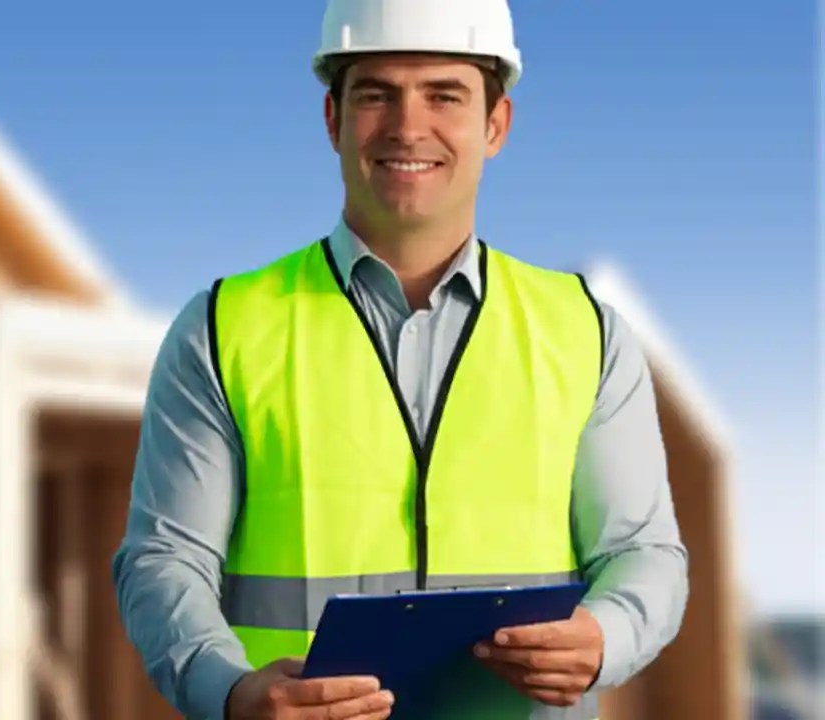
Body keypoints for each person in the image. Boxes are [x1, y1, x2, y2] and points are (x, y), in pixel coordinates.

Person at [112, 0, 690, 717]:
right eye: (377, 95)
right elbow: (164, 561)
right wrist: (230, 691)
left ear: (496, 124)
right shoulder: (220, 329)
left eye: (444, 95)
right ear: (333, 119)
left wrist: (606, 636)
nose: (408, 127)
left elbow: (643, 554)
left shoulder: (587, 332)